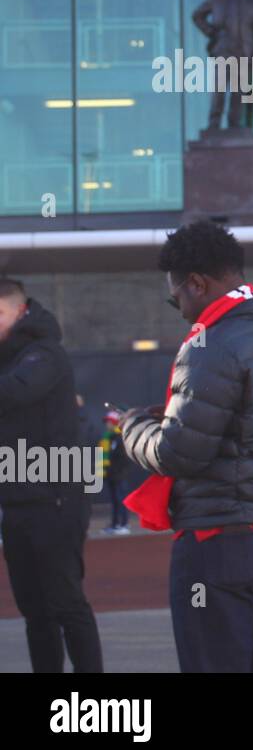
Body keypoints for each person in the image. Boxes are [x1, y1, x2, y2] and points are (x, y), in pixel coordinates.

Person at [120, 222, 253, 673]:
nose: (182, 311)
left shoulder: (210, 345)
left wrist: (132, 428)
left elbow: (179, 453)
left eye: (177, 299)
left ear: (197, 284)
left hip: (220, 531)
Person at [0, 278, 104, 674]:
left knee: (66, 603)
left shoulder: (44, 353)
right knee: (34, 610)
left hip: (57, 497)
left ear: (21, 311)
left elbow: (17, 391)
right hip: (17, 499)